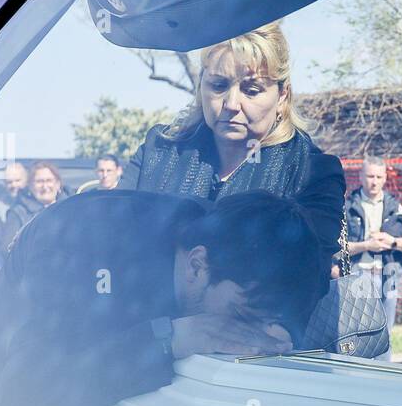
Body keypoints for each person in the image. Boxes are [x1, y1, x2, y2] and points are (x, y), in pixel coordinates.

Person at [0, 190, 326, 406]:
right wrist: (169, 338)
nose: (242, 337)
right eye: (239, 319)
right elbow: (22, 400)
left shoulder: (226, 245)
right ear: (198, 264)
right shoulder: (85, 242)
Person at [127, 22, 344, 260]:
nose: (231, 104)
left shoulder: (312, 173)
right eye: (219, 86)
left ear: (282, 96)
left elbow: (305, 274)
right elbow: (116, 238)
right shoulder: (158, 150)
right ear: (202, 85)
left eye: (251, 90)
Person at [344, 157, 402, 359]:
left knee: (385, 334)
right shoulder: (348, 206)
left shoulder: (395, 207)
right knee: (359, 333)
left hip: (389, 275)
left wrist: (391, 241)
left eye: (378, 176)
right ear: (360, 176)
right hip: (358, 275)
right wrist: (366, 245)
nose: (374, 181)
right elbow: (336, 249)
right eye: (369, 176)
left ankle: (384, 376)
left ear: (385, 177)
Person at [1, 161, 67, 253]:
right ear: (30, 186)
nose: (45, 186)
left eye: (49, 180)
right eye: (39, 182)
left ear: (58, 184)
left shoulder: (72, 209)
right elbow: (8, 250)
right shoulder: (18, 213)